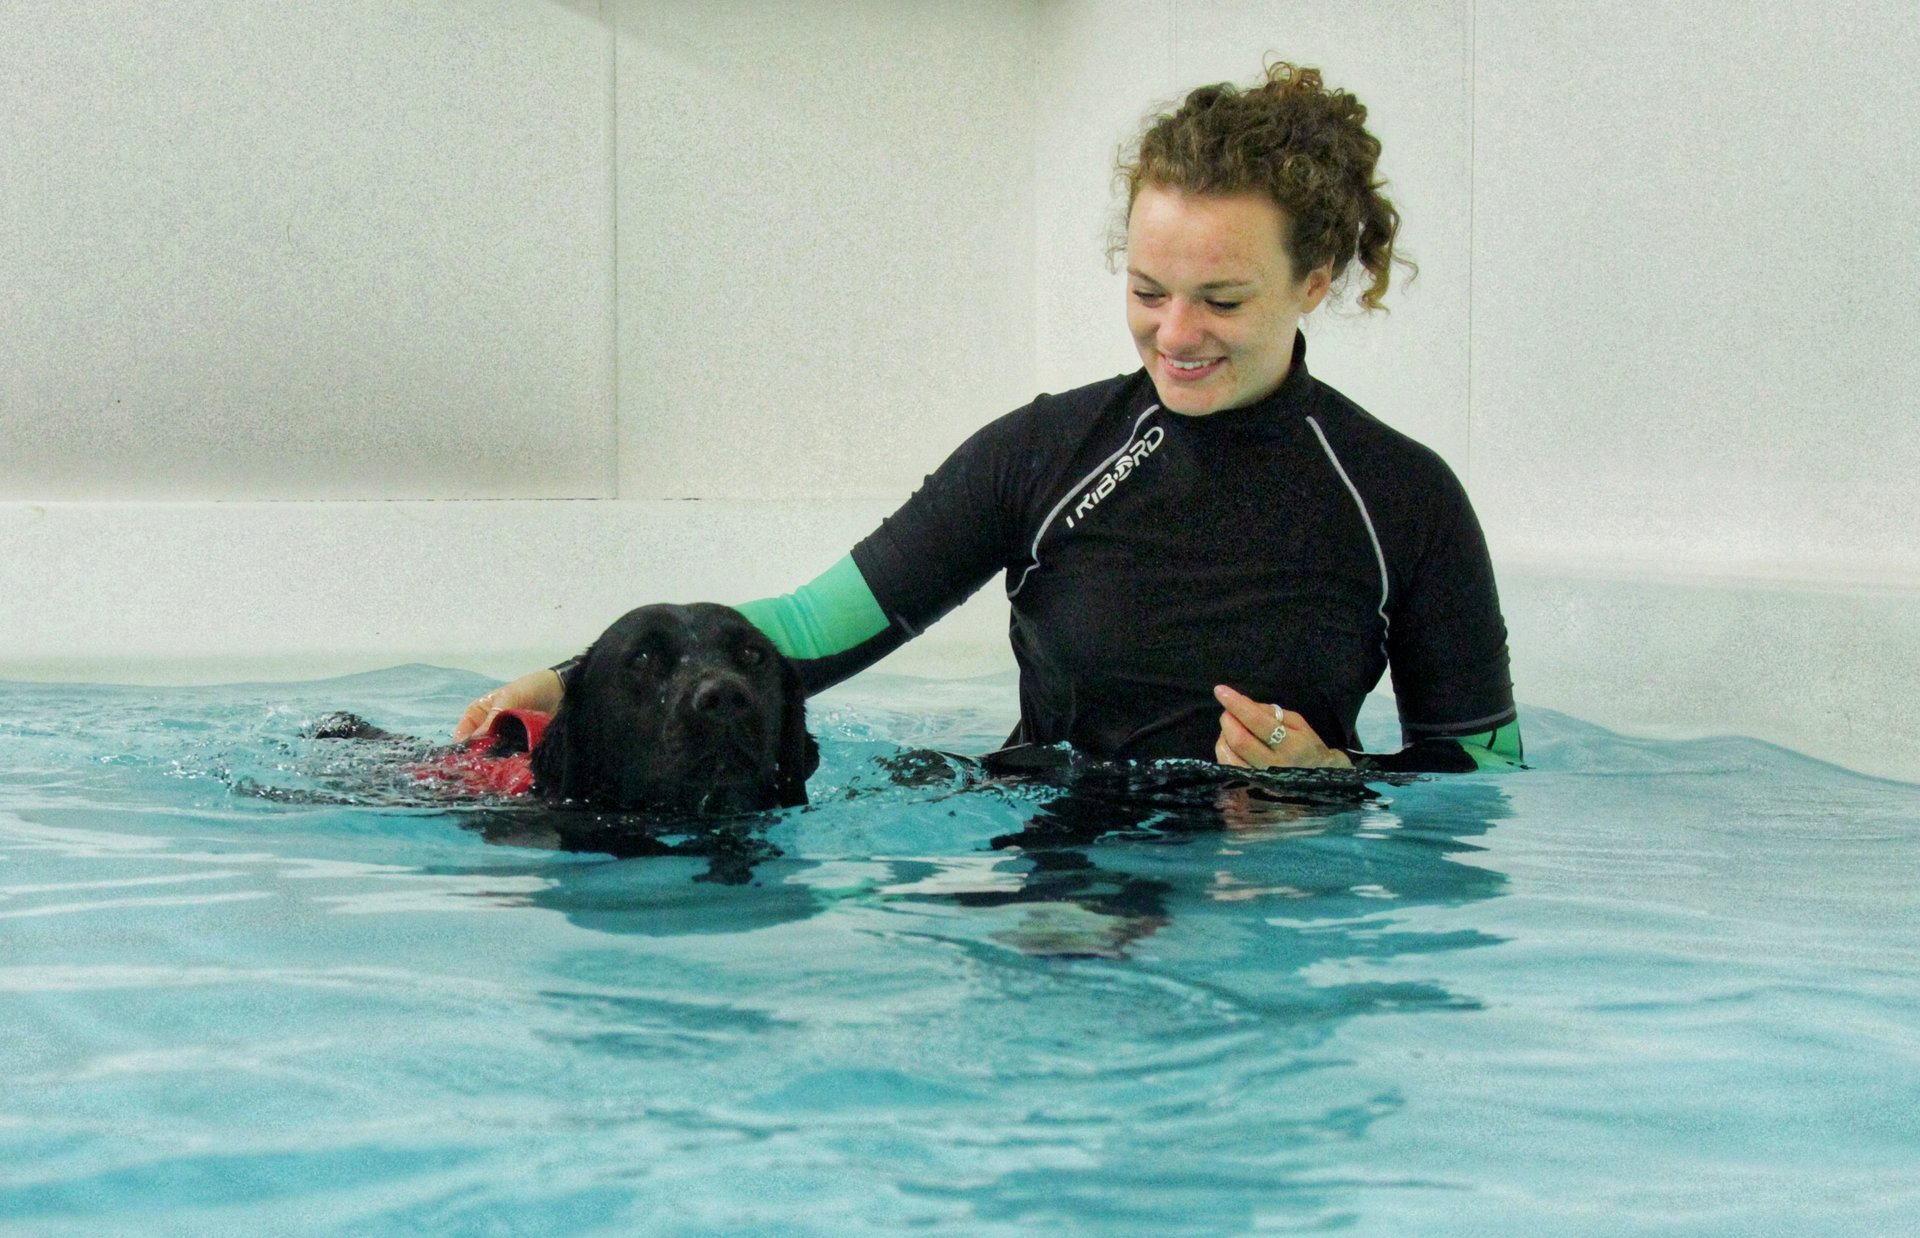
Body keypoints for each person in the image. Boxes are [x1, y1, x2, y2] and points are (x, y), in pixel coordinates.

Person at [456, 60, 1521, 775]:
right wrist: (571, 679)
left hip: (1285, 896)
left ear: (1315, 281)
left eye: (1224, 300)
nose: (1176, 333)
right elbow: (815, 630)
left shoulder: (1402, 498)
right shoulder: (1046, 454)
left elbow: (1487, 770)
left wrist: (1335, 783)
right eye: (1148, 290)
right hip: (1058, 886)